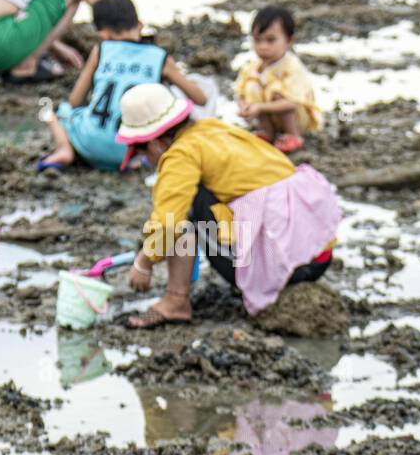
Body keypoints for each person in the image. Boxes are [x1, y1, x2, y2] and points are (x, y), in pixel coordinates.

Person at [116, 84, 340, 328]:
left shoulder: (180, 154)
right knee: (201, 199)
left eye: (141, 151)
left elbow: (168, 223)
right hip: (318, 254)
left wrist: (144, 262)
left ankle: (175, 300)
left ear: (156, 144)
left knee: (188, 204)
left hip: (290, 267)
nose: (147, 161)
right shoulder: (214, 129)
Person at [39, 0, 208, 171]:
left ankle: (64, 149)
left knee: (56, 111)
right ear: (140, 25)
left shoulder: (101, 50)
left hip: (89, 143)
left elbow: (74, 101)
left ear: (102, 34)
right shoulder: (160, 58)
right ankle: (140, 160)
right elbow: (201, 99)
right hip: (132, 150)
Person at [235, 6, 321, 154]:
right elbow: (239, 92)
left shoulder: (292, 67)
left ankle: (292, 135)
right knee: (252, 87)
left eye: (270, 40)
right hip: (270, 116)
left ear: (288, 41)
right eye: (257, 40)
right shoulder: (252, 68)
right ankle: (269, 133)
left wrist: (260, 107)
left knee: (277, 92)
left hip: (297, 118)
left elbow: (292, 102)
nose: (262, 47)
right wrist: (244, 107)